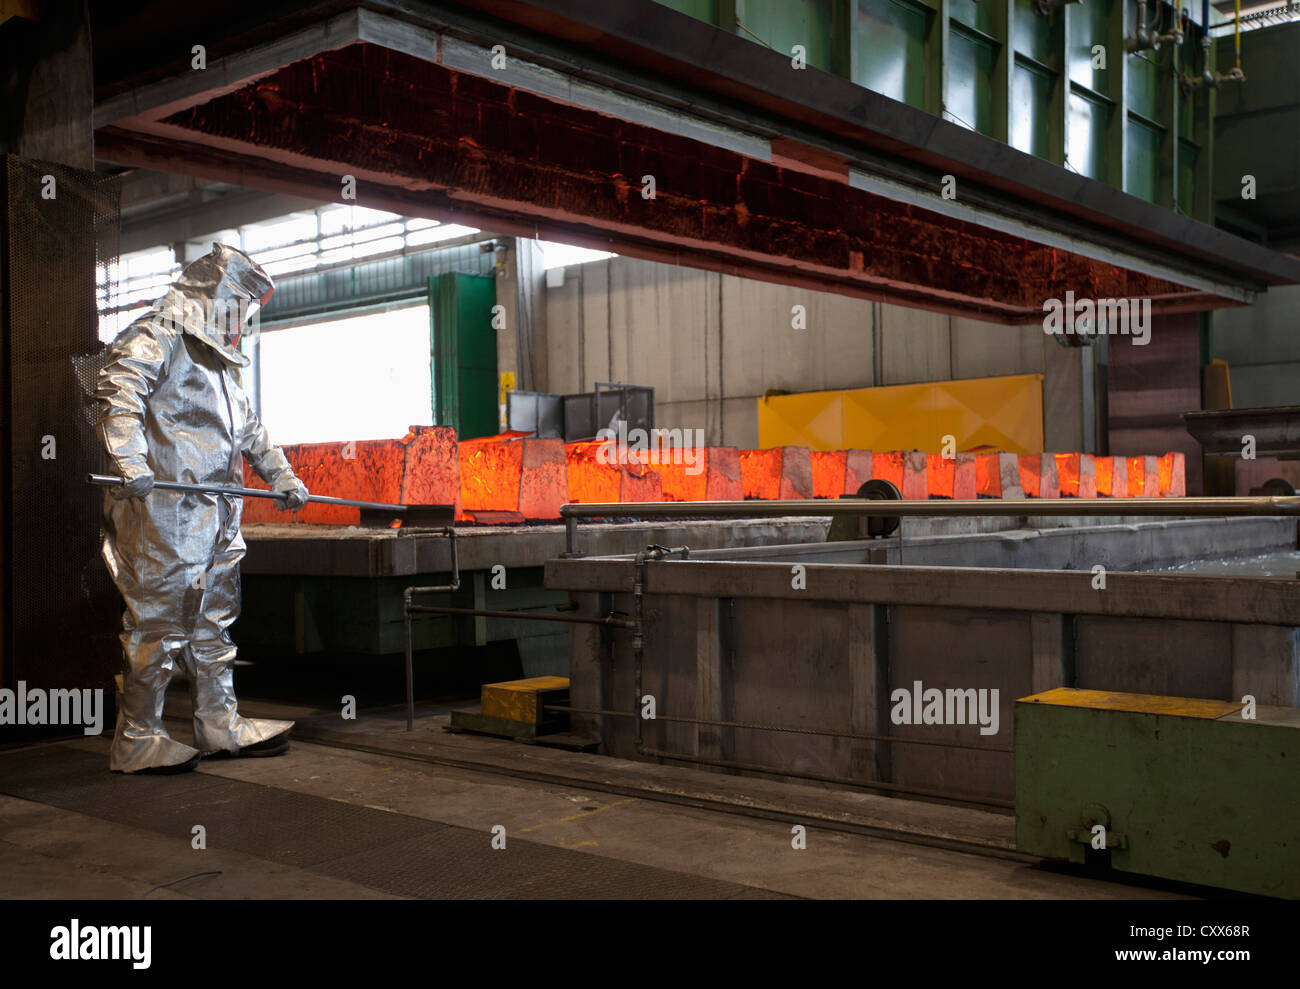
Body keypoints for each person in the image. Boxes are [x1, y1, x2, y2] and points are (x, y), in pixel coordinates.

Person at [96, 242, 309, 774]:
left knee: (214, 624)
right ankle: (138, 737)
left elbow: (249, 429)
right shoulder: (157, 335)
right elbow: (118, 391)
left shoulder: (220, 366)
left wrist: (281, 476)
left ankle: (219, 724)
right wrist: (130, 459)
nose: (241, 321)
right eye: (236, 306)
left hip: (216, 512)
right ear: (211, 296)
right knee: (158, 623)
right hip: (163, 511)